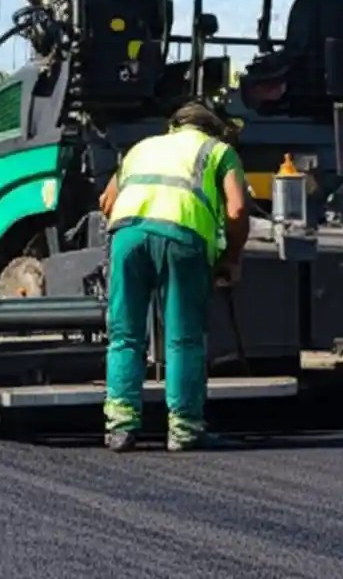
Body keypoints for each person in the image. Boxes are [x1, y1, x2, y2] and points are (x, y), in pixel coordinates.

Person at [97, 101, 250, 452]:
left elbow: (106, 201)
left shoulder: (141, 149)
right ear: (212, 129)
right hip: (183, 240)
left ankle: (120, 427)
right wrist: (232, 257)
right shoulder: (219, 151)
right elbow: (238, 208)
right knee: (183, 337)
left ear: (174, 127)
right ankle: (184, 429)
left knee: (125, 334)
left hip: (128, 237)